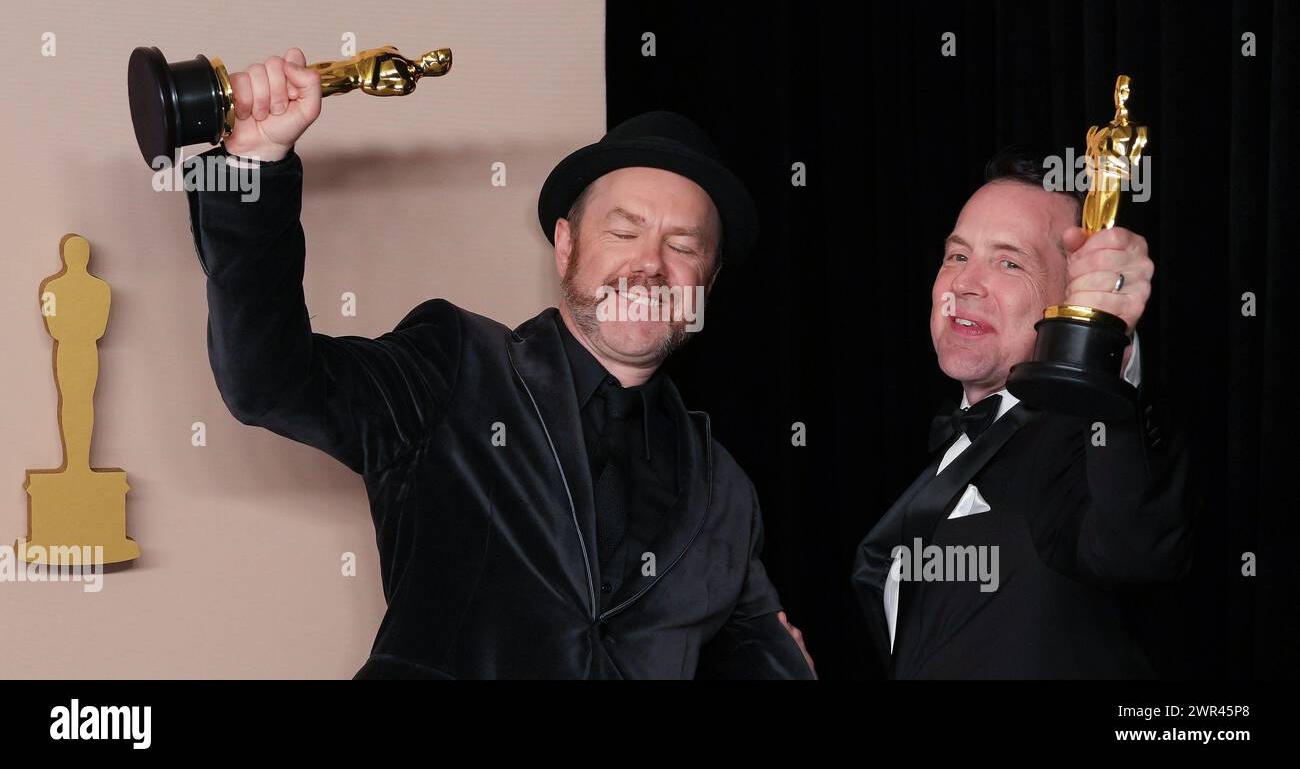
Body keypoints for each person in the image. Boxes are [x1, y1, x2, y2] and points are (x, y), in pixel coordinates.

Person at [184, 48, 814, 679]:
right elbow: (269, 381)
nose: (650, 264)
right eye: (624, 232)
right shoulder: (454, 365)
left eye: (682, 246)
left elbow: (763, 653)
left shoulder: (724, 488)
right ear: (566, 245)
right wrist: (253, 172)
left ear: (707, 280)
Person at [851, 151, 1193, 678]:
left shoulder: (1081, 448)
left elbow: (1133, 547)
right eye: (957, 255)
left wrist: (1108, 350)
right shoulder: (949, 451)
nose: (965, 283)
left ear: (1072, 296)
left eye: (1010, 262)